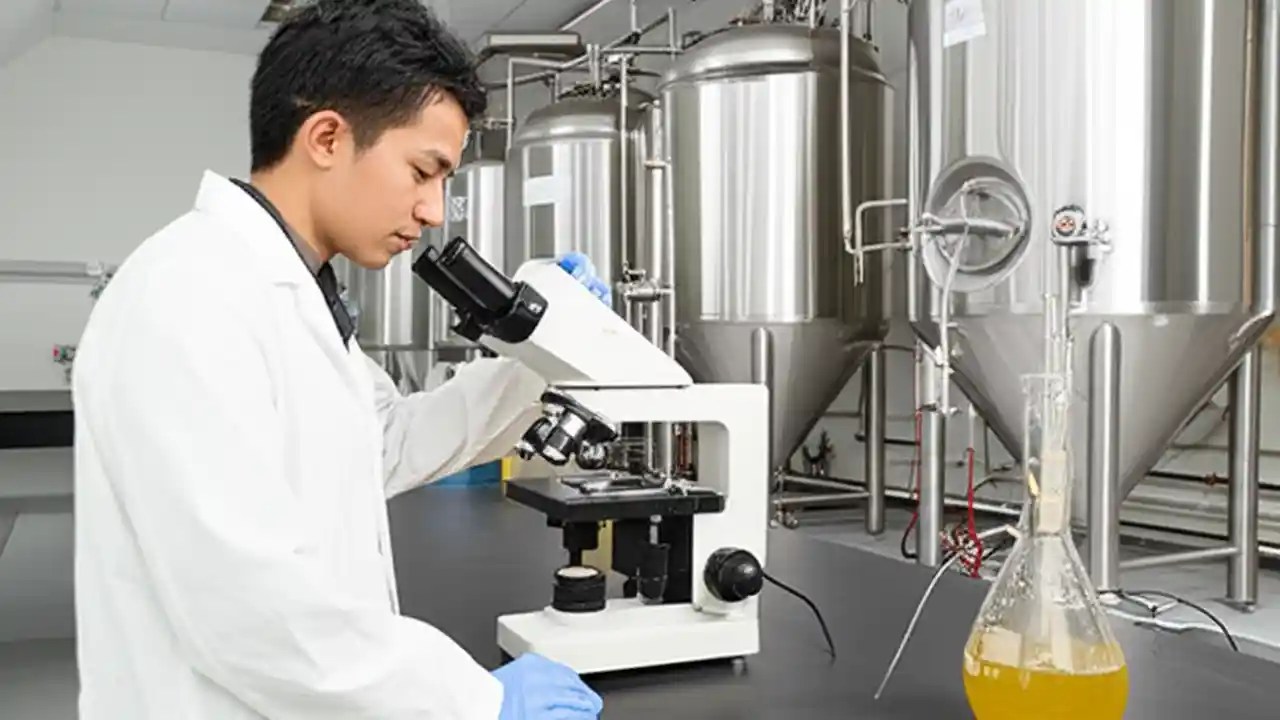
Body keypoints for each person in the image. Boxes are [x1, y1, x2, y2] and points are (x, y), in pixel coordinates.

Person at [71, 1, 606, 718]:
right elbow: (248, 613)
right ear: (326, 136)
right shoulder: (187, 295)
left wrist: (540, 355)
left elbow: (379, 440)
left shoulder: (295, 294)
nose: (434, 211)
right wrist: (472, 702)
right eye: (425, 170)